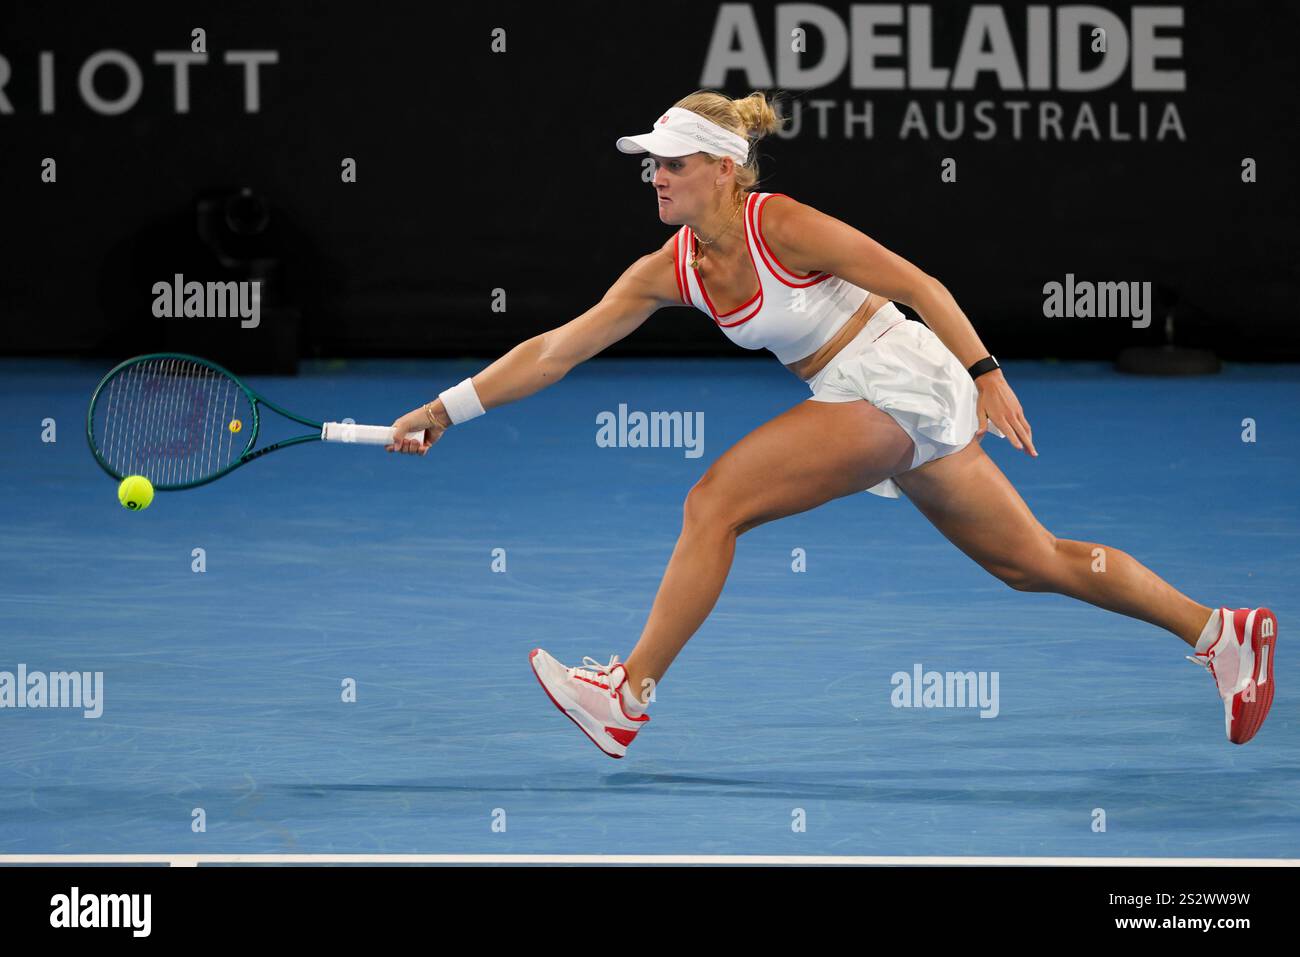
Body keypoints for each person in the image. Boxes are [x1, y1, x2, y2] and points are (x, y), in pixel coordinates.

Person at [386, 90, 1277, 758]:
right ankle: (1219, 631)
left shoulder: (785, 227)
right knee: (1031, 561)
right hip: (861, 394)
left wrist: (987, 375)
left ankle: (626, 693)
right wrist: (443, 409)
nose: (655, 175)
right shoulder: (671, 267)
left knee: (715, 502)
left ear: (723, 169)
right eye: (650, 163)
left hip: (899, 376)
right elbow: (554, 350)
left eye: (672, 162)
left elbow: (919, 283)